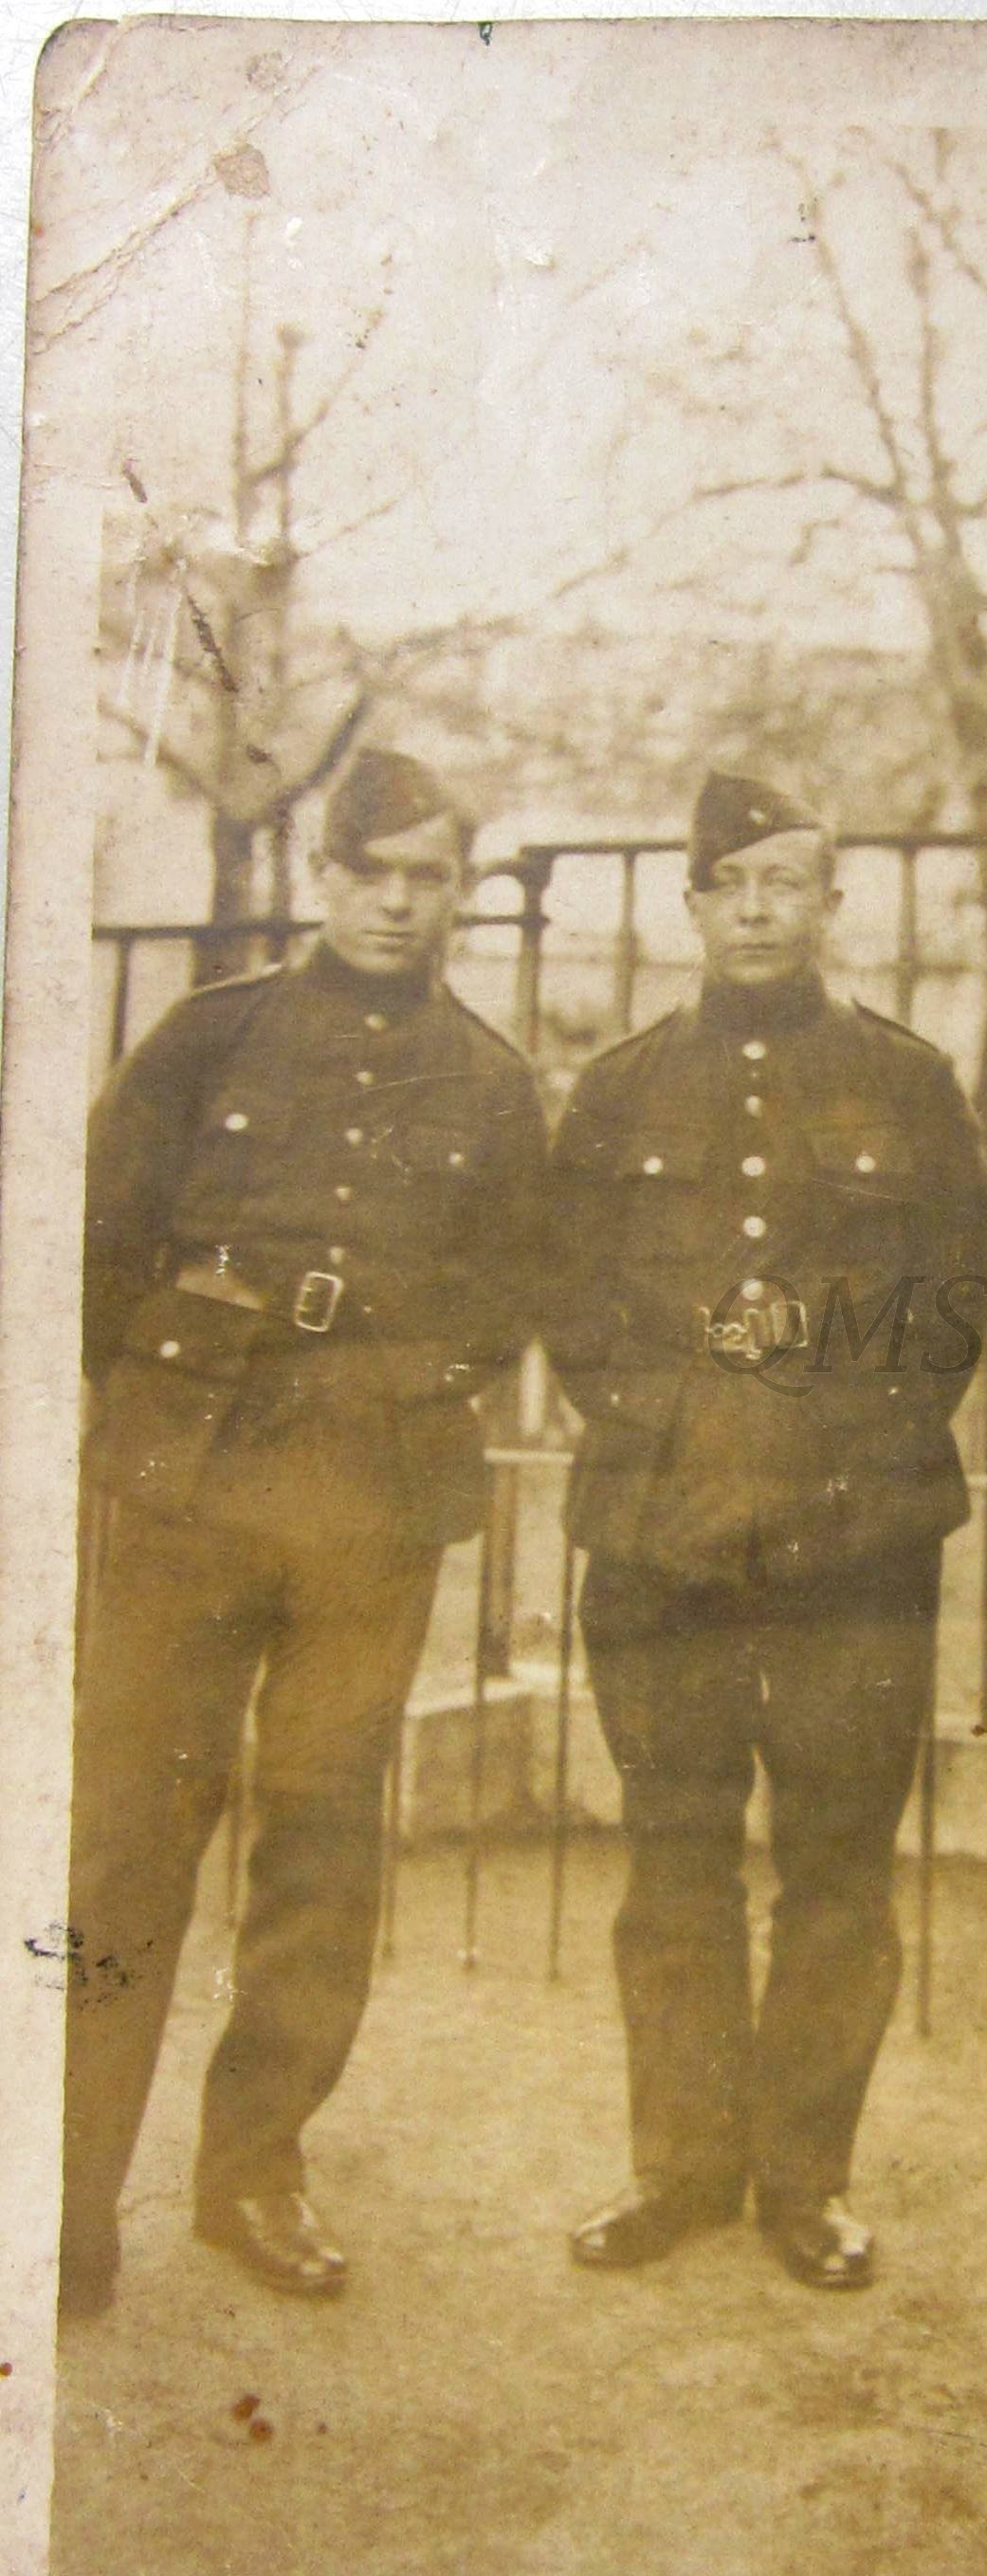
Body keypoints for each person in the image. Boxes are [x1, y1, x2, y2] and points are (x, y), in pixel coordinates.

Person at [61, 749, 547, 2314]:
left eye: (430, 879)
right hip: (190, 1492)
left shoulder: (487, 1082)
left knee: (323, 1842)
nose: (401, 905)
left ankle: (254, 2171)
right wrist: (173, 1379)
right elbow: (86, 1249)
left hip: (365, 1506)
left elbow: (503, 1299)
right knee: (130, 1837)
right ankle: (64, 2198)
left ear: (457, 893)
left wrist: (381, 1383)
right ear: (323, 880)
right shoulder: (212, 1037)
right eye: (373, 874)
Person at [543, 770, 987, 2291]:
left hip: (852, 1540)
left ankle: (806, 2184)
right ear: (690, 903)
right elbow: (572, 1308)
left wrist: (814, 1409)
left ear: (825, 902)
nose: (755, 909)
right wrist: (680, 1422)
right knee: (670, 1861)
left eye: (785, 883)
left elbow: (950, 1311)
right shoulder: (614, 1091)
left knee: (837, 1866)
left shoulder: (910, 1084)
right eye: (729, 884)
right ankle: (679, 2170)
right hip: (659, 1535)